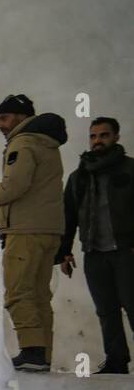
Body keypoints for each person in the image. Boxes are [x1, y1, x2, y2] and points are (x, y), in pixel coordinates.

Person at [0, 95, 68, 372]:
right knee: (39, 294)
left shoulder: (23, 143)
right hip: (48, 230)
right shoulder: (48, 144)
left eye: (4, 117)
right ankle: (42, 354)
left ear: (21, 117)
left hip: (26, 230)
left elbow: (14, 186)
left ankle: (32, 352)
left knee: (18, 291)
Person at [57, 117, 133, 375]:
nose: (98, 141)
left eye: (104, 135)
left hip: (126, 251)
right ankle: (116, 361)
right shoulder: (79, 176)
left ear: (116, 137)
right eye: (93, 136)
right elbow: (68, 217)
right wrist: (64, 252)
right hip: (94, 253)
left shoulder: (130, 170)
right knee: (106, 310)